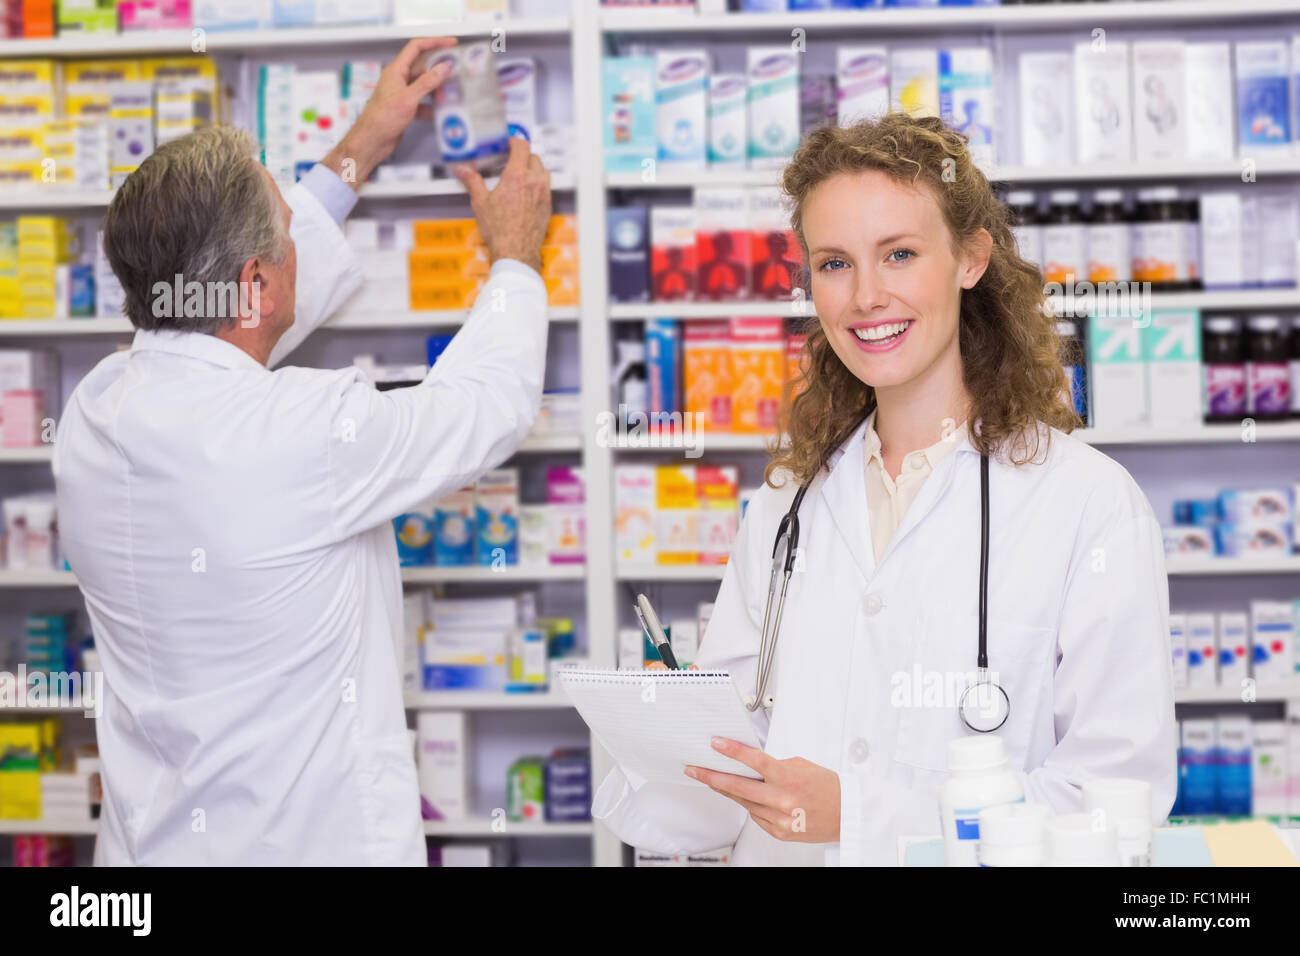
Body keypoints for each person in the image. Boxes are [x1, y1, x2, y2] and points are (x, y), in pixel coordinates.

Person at [592, 113, 1177, 866]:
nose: (866, 296)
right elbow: (730, 790)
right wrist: (662, 736)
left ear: (970, 259)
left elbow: (1114, 796)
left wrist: (862, 814)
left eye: (898, 254)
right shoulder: (785, 509)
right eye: (834, 263)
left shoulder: (1088, 505)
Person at [53, 37, 554, 866]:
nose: (297, 235)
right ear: (255, 280)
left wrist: (363, 149)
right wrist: (515, 261)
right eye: (287, 228)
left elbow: (230, 328)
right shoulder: (307, 433)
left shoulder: (97, 409)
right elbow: (485, 407)